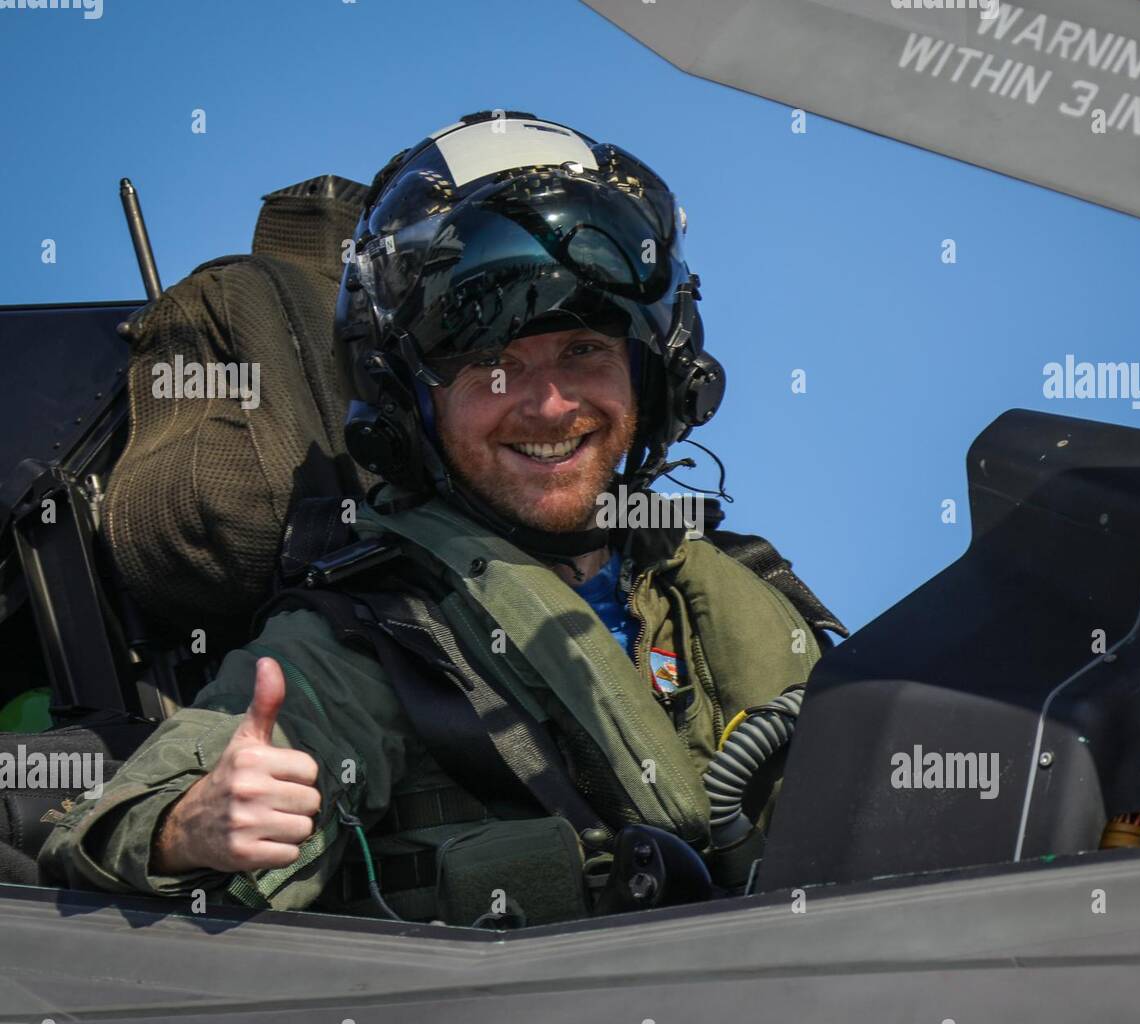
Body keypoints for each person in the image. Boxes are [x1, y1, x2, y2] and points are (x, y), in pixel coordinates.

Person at [38, 111, 841, 925]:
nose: (549, 404)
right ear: (405, 400)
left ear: (660, 372)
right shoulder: (372, 643)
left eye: (584, 351)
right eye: (491, 365)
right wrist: (188, 827)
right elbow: (118, 823)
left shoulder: (728, 582)